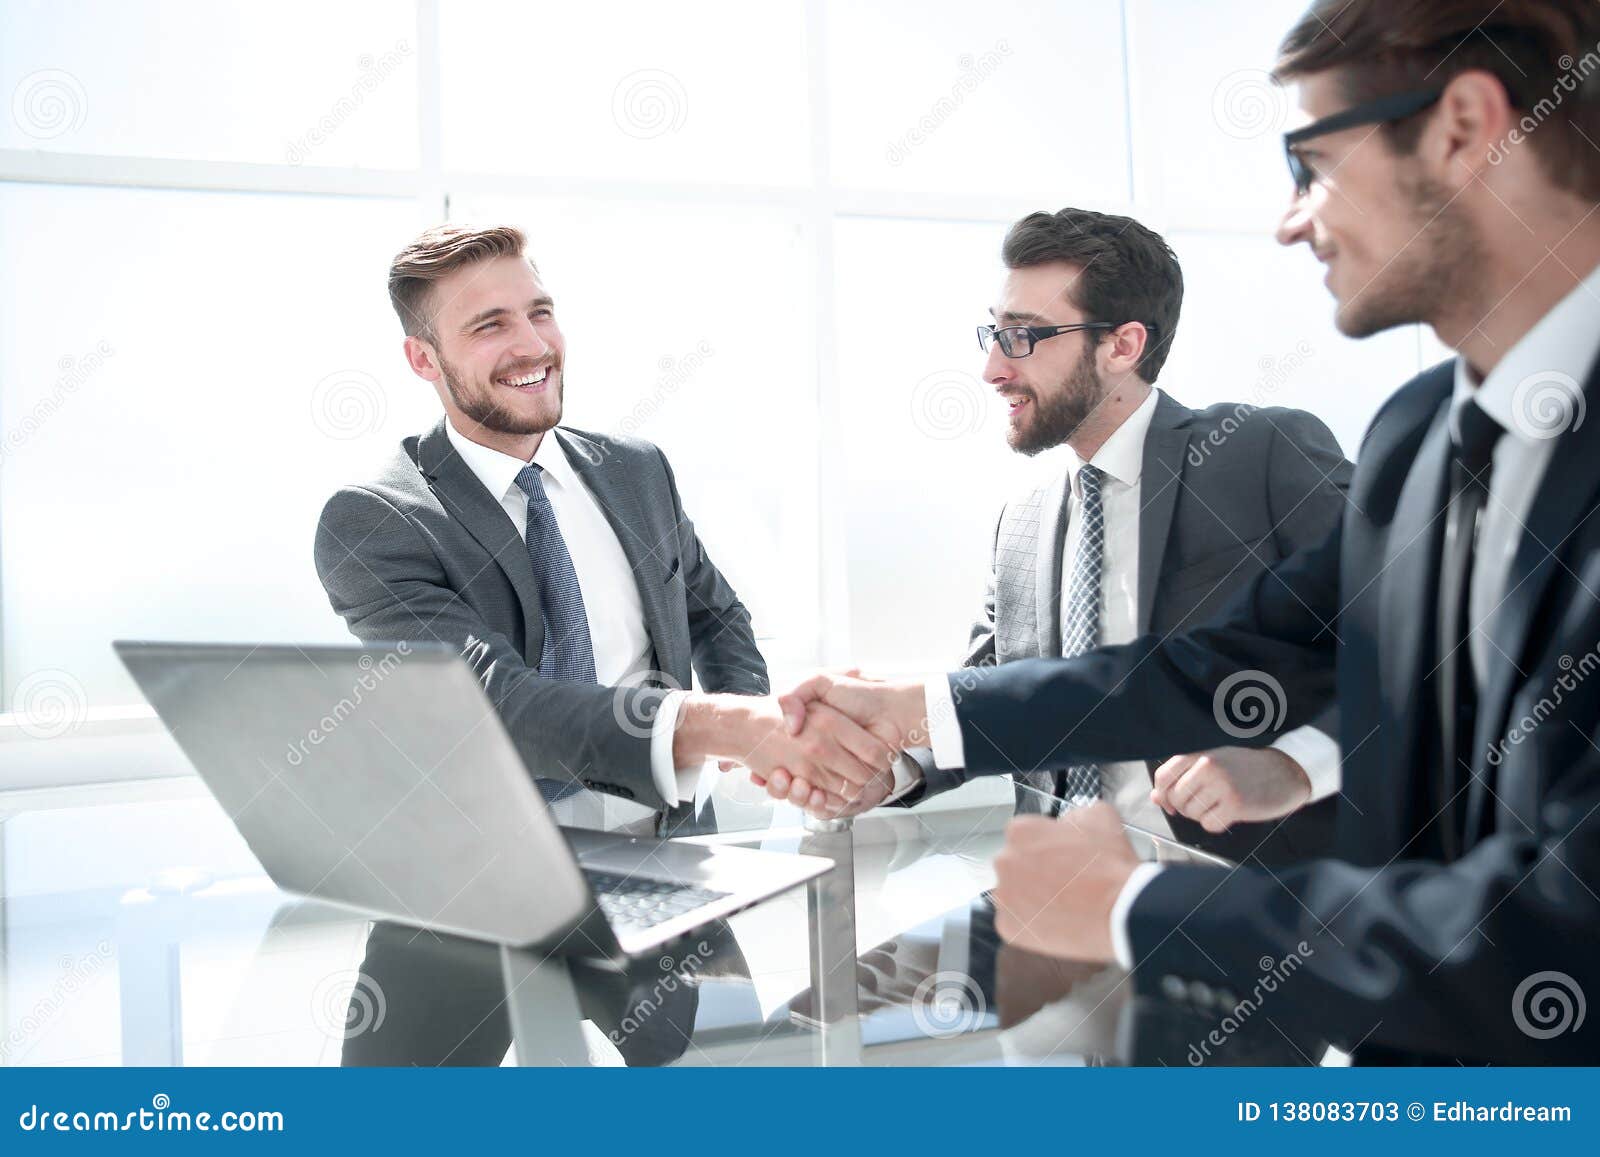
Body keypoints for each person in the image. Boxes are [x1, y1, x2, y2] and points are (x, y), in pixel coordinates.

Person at [777, 0, 1600, 1064]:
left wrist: (1134, 903)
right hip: (1385, 1035)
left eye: (1312, 164)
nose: (1290, 220)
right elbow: (1229, 661)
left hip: (1297, 958)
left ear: (1461, 129)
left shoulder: (1260, 449)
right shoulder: (1417, 439)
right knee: (817, 1015)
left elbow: (1559, 928)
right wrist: (906, 714)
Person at [763, 207, 1351, 866]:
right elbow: (996, 692)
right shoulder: (1023, 522)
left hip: (1246, 907)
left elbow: (1410, 653)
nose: (991, 368)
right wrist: (886, 772)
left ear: (1123, 347)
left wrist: (1293, 764)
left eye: (1024, 337)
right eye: (994, 333)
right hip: (1058, 906)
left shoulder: (1256, 453)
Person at [314, 223, 894, 836]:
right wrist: (731, 725)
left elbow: (714, 614)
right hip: (498, 877)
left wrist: (753, 727)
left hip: (679, 847)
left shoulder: (635, 471)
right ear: (423, 358)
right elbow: (494, 704)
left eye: (540, 313)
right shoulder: (376, 521)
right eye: (490, 325)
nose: (532, 345)